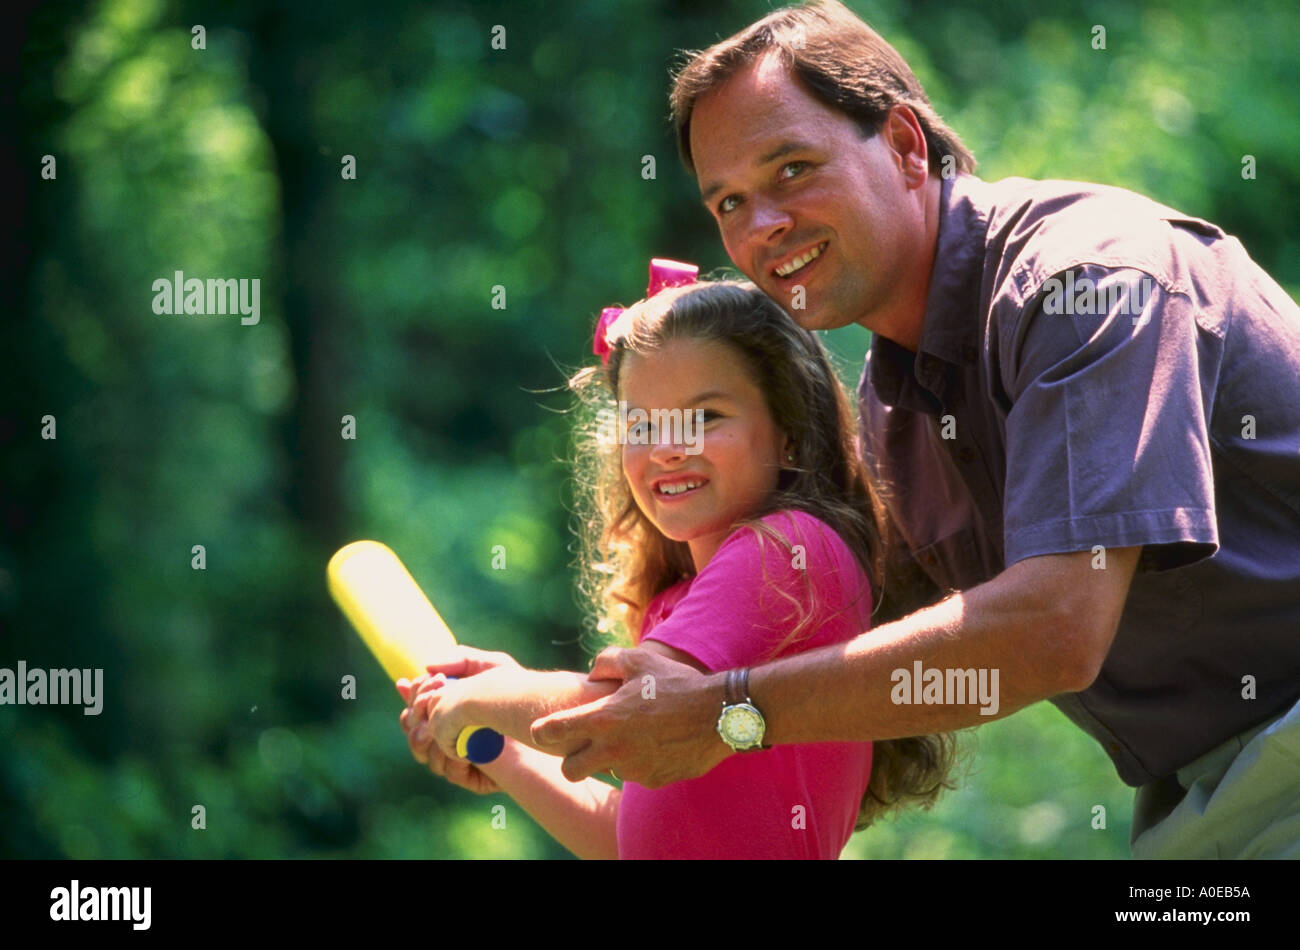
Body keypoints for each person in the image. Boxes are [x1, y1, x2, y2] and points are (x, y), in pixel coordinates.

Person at [527, 0, 1300, 859]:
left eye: (790, 170)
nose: (760, 226)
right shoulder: (894, 410)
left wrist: (725, 713)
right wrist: (512, 716)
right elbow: (839, 661)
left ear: (903, 145)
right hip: (1204, 796)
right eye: (729, 201)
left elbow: (1053, 630)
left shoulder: (1089, 283)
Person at [398, 263, 954, 859]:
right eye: (642, 424)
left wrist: (475, 701)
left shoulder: (789, 550)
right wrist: (503, 748)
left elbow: (616, 707)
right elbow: (636, 841)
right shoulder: (673, 606)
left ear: (790, 429)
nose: (667, 448)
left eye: (705, 417)